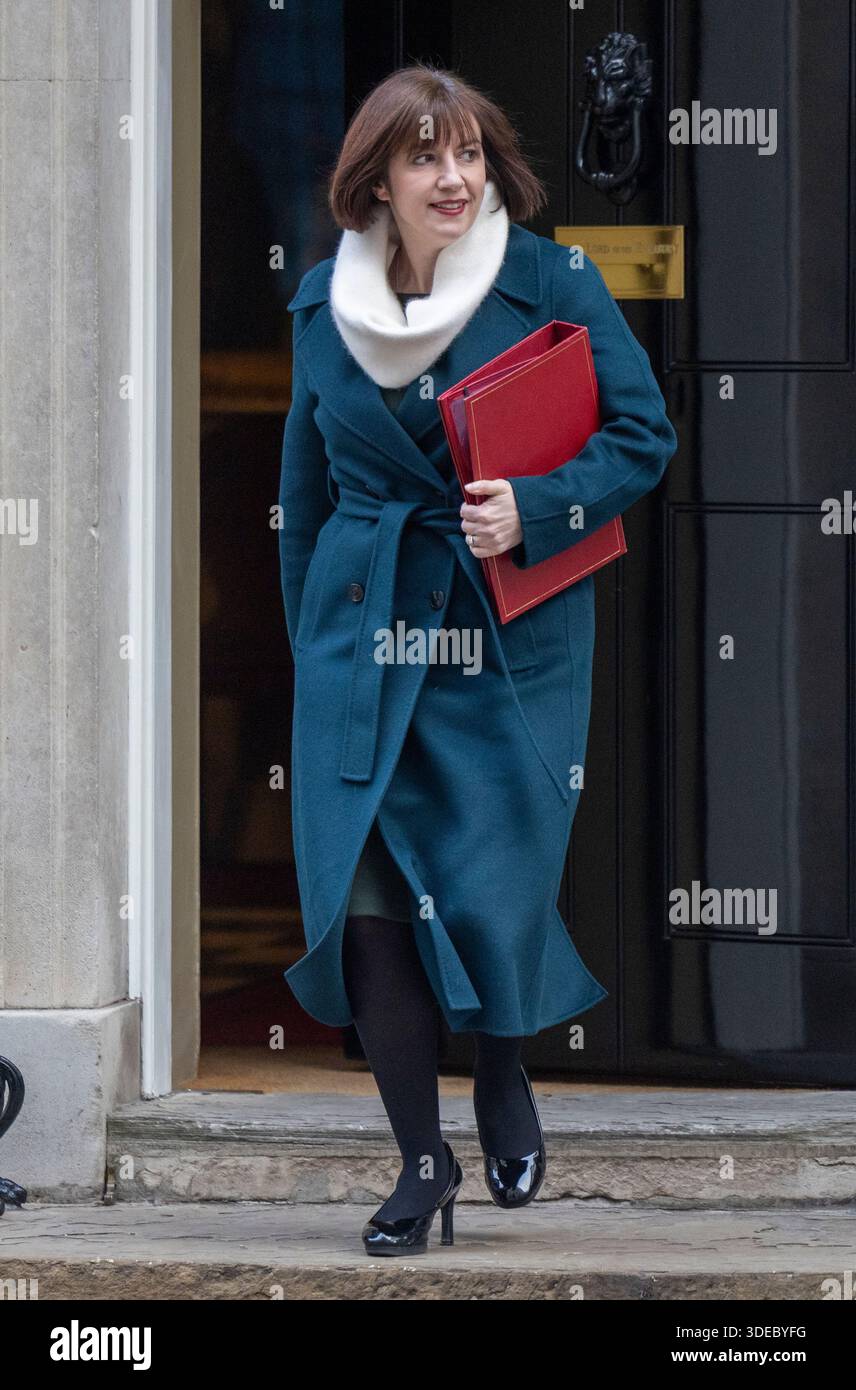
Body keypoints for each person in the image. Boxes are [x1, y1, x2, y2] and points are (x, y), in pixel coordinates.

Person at [278, 63, 678, 1257]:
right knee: (366, 907)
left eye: (467, 154)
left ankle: (504, 1065)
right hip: (362, 636)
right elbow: (303, 501)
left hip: (505, 633)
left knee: (492, 880)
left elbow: (640, 433)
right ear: (377, 182)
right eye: (422, 157)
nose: (451, 178)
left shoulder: (550, 277)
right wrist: (315, 646)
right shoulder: (318, 306)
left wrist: (540, 508)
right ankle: (417, 1158)